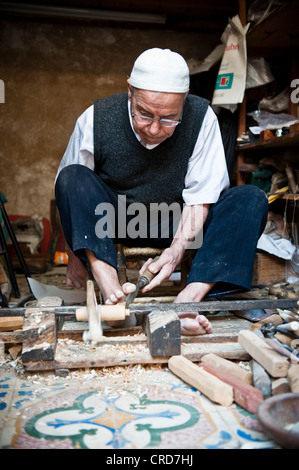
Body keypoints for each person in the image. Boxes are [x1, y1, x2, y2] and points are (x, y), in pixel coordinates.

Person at [55, 48, 268, 336]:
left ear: (184, 99)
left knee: (249, 199)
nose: (154, 129)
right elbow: (71, 193)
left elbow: (202, 196)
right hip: (114, 221)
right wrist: (76, 258)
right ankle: (112, 290)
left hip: (176, 222)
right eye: (145, 114)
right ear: (130, 91)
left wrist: (178, 249)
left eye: (169, 118)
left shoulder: (201, 118)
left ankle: (188, 302)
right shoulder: (95, 119)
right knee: (72, 176)